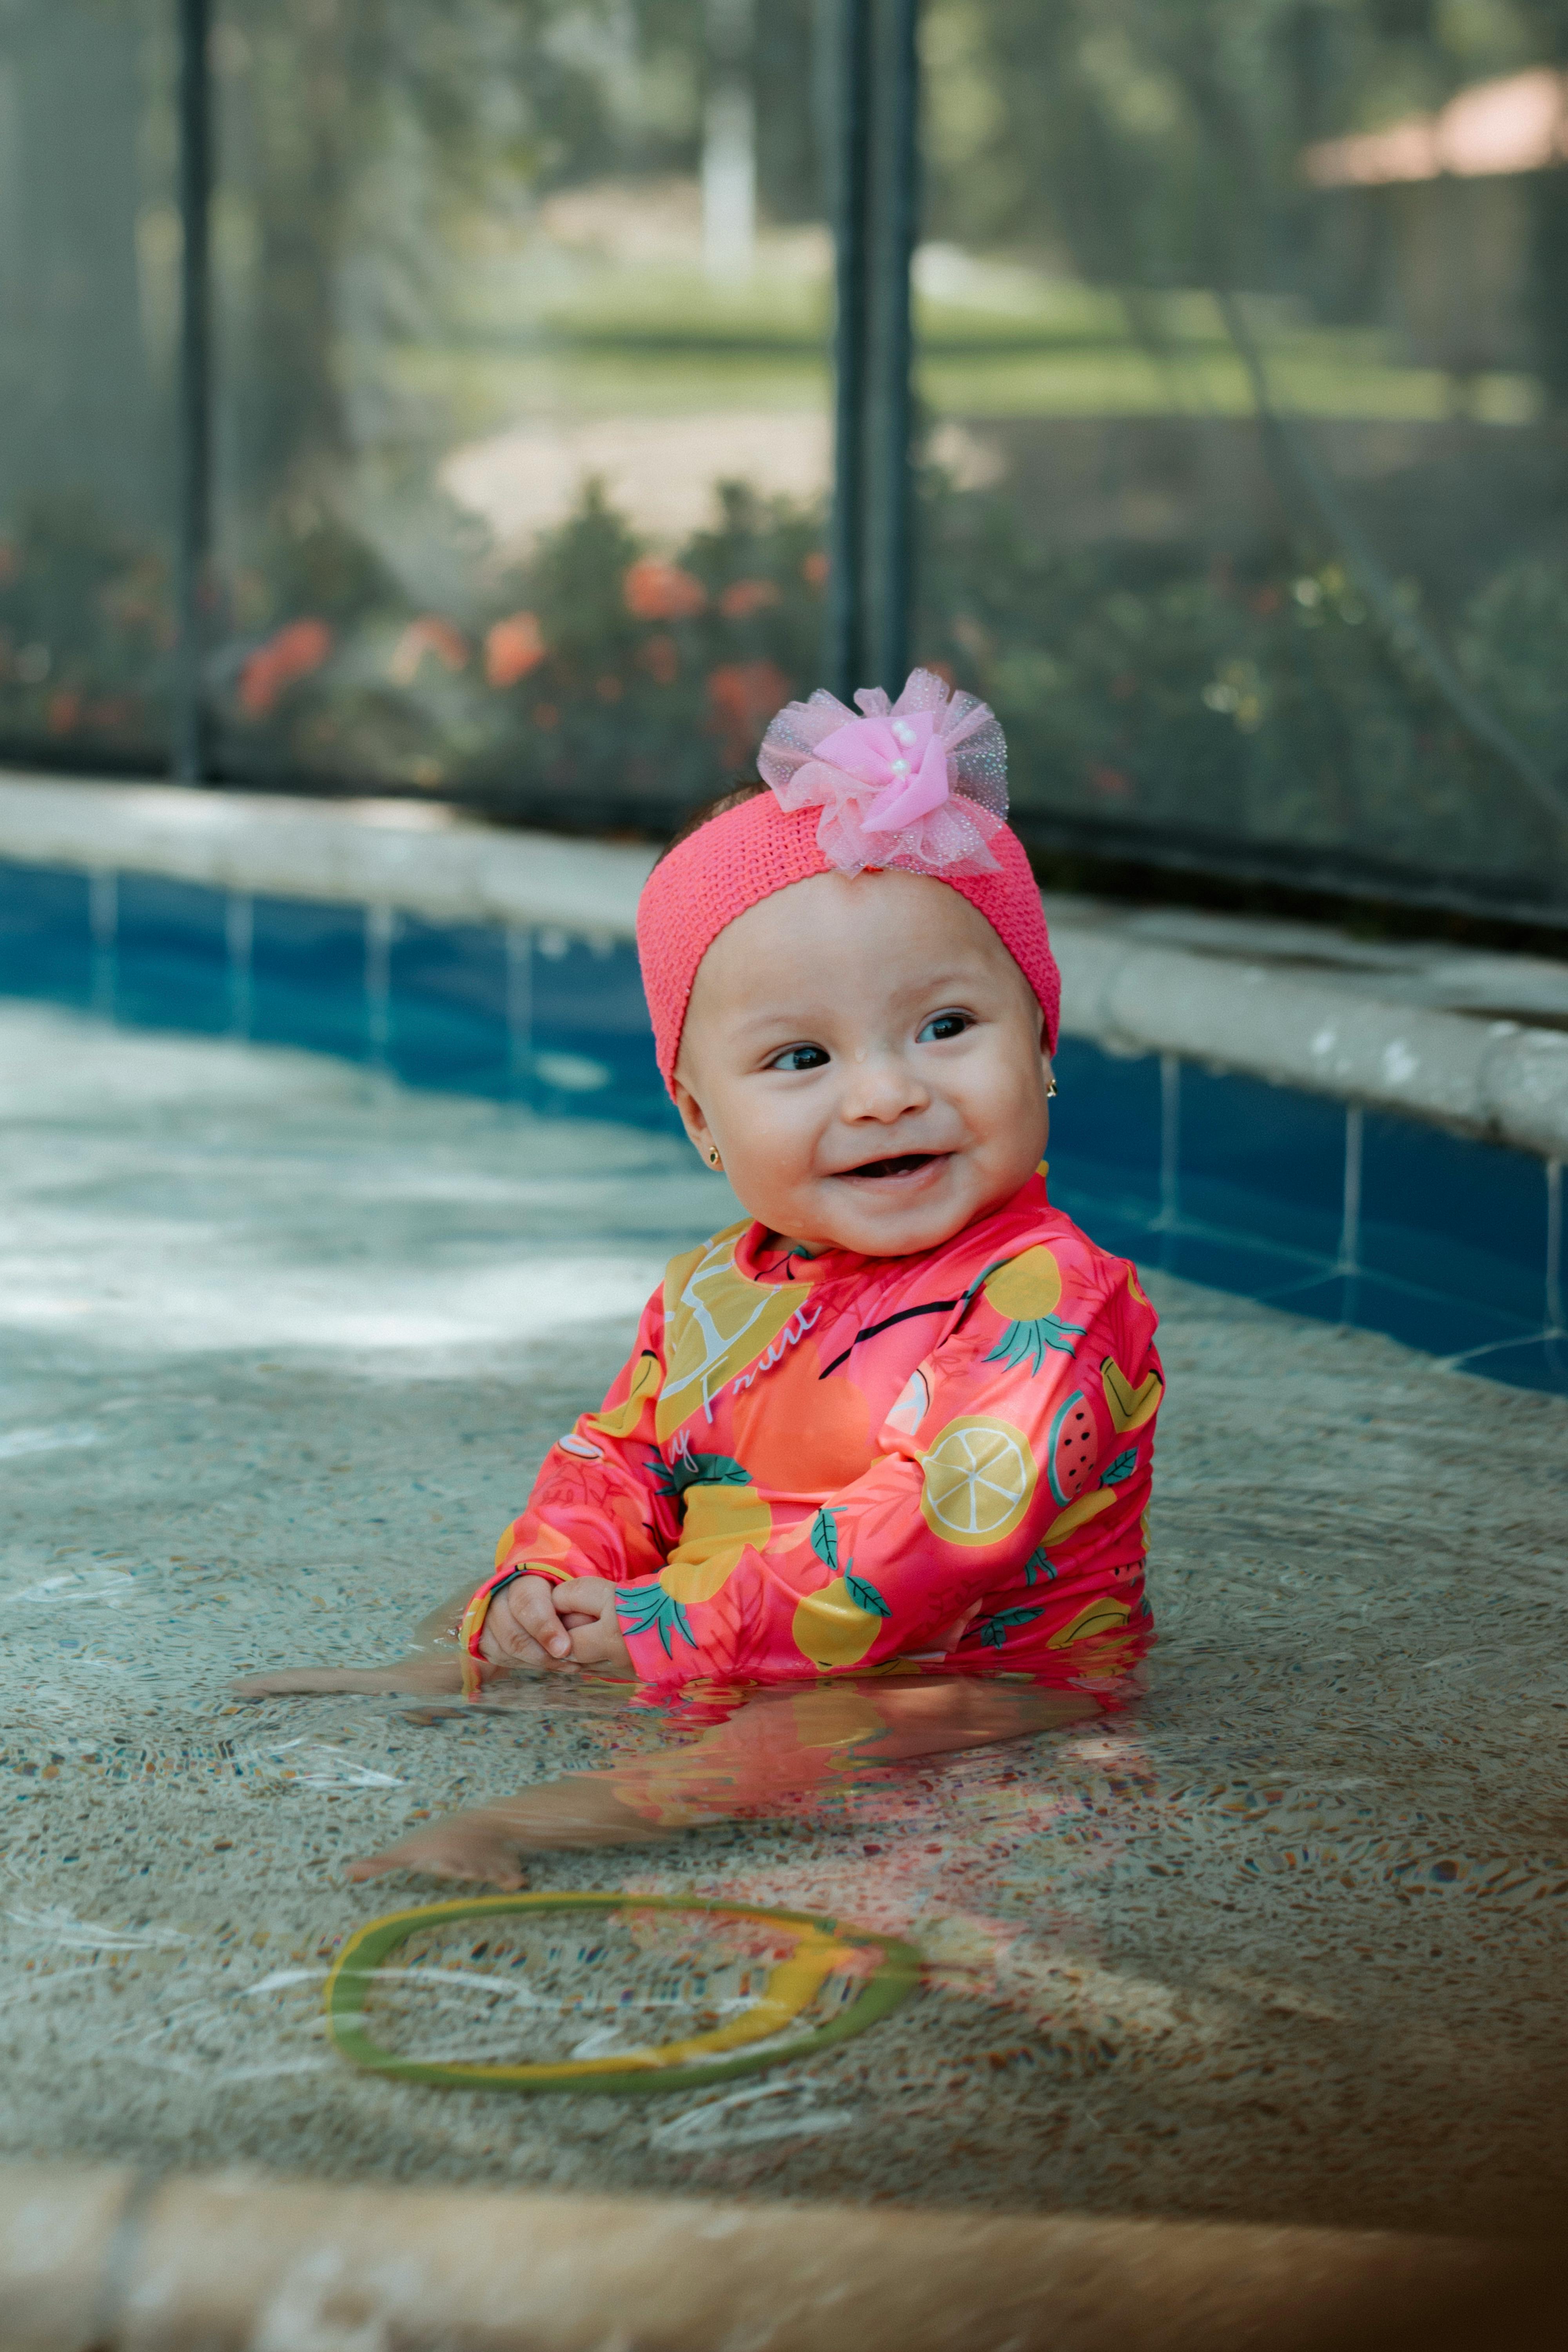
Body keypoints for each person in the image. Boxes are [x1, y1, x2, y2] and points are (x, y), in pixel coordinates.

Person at [240, 668, 1162, 1881]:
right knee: (501, 1591)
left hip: (978, 1667)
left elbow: (943, 1534)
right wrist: (555, 1583)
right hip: (708, 1632)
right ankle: (456, 1668)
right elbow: (618, 1457)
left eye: (946, 1027)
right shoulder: (712, 1290)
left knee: (869, 1725)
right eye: (800, 1056)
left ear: (1041, 1041)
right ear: (700, 1120)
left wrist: (669, 1628)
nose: (885, 1091)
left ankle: (540, 1826)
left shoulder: (1052, 1297)